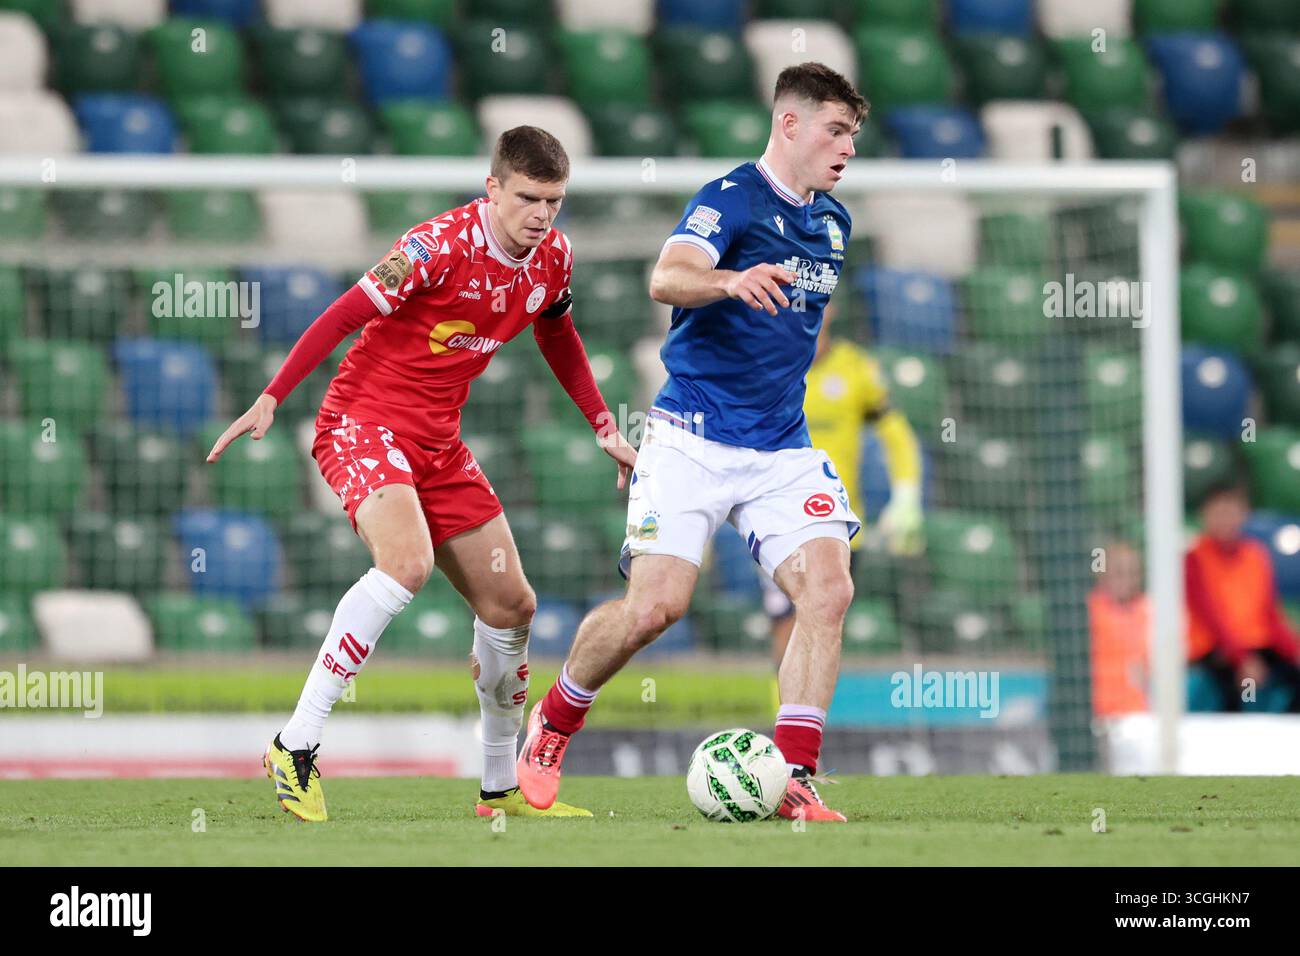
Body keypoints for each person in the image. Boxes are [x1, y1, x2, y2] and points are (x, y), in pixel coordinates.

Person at [205, 126, 636, 821]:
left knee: (512, 606)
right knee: (405, 565)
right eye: (528, 197)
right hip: (362, 424)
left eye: (555, 201)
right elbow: (342, 314)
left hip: (438, 446)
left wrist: (603, 425)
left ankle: (499, 787)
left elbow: (557, 332)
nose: (543, 215)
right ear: (492, 187)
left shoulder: (553, 258)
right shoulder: (435, 248)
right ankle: (295, 743)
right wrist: (272, 395)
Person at [517, 62, 869, 822]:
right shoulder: (731, 198)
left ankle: (797, 776)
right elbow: (666, 276)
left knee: (828, 590)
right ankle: (552, 723)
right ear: (790, 125)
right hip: (689, 437)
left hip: (779, 445)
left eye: (853, 135)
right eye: (836, 130)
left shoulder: (835, 223)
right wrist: (730, 281)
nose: (846, 148)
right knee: (655, 609)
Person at [760, 298, 922, 674]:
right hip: (778, 521)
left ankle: (809, 722)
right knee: (790, 618)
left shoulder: (856, 368)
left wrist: (907, 497)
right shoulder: (766, 366)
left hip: (842, 527)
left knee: (823, 623)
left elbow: (896, 435)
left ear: (830, 309)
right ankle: (787, 721)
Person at [1185, 481, 1300, 713]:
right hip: (1217, 651)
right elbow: (1212, 619)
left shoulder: (1256, 555)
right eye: (1218, 513)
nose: (1225, 520)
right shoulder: (1194, 559)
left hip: (1258, 647)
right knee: (1232, 688)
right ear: (1204, 516)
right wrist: (1242, 659)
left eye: (1231, 512)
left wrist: (1295, 650)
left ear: (1243, 515)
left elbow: (1270, 613)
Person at [1087, 538, 1149, 717]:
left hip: (1138, 713)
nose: (1127, 580)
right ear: (1102, 575)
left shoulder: (1149, 611)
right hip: (1098, 712)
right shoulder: (1090, 610)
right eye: (1119, 573)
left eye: (1133, 573)